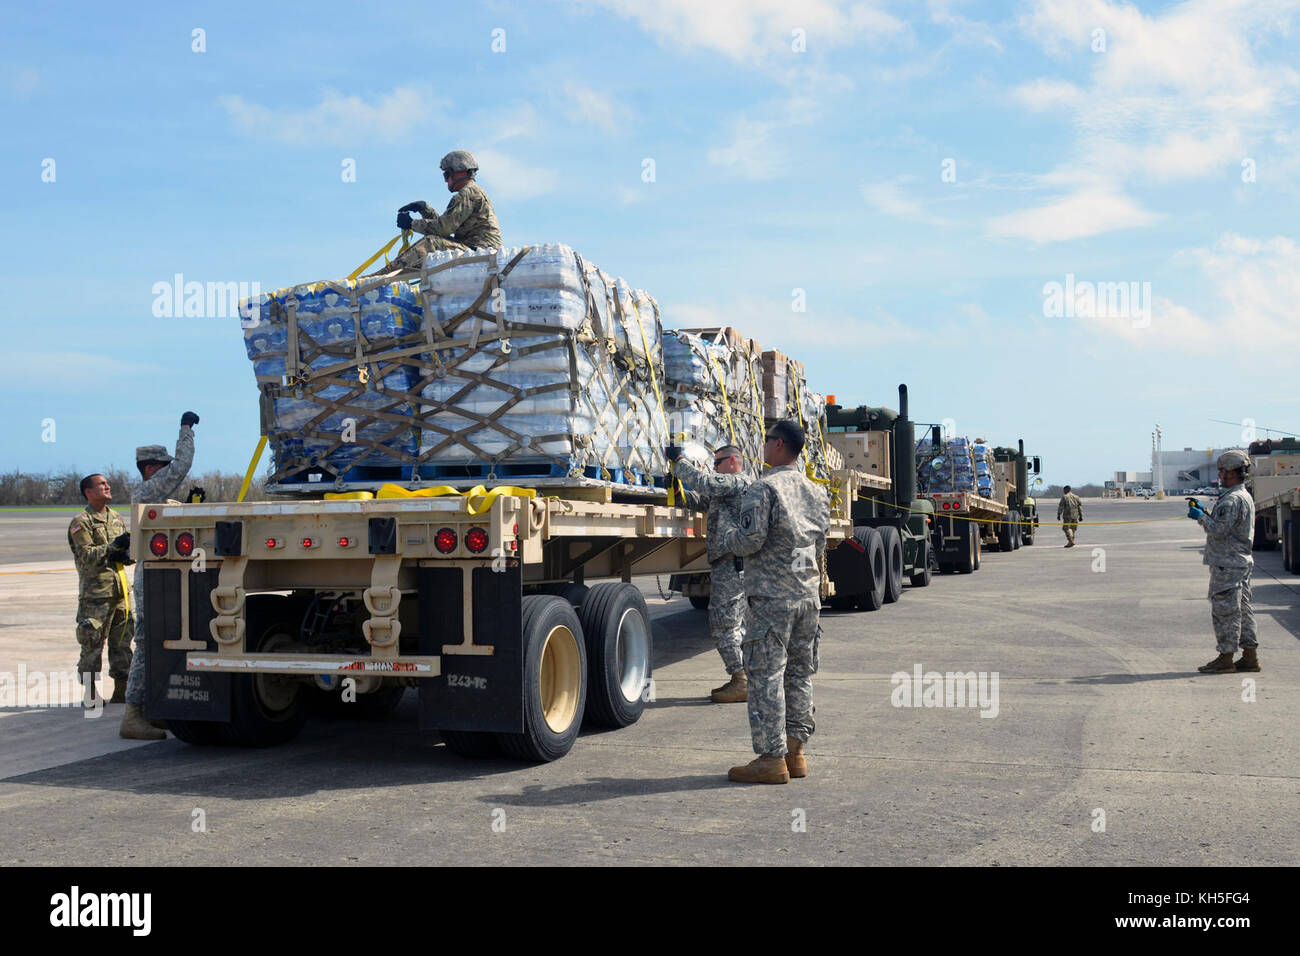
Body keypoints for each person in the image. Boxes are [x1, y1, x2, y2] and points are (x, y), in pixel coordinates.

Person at [709, 420, 830, 784]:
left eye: (766, 440)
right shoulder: (816, 491)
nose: (762, 445)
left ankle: (769, 758)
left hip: (771, 600)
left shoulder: (764, 489)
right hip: (807, 598)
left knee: (765, 678)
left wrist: (725, 536)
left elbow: (750, 541)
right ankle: (795, 751)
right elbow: (819, 545)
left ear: (778, 445)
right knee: (799, 674)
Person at [119, 411, 198, 740]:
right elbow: (183, 466)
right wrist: (186, 430)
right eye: (162, 465)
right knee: (149, 640)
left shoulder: (156, 495)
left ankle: (153, 709)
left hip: (162, 576)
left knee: (164, 638)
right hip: (152, 576)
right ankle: (133, 714)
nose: (169, 470)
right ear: (151, 468)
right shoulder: (148, 490)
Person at [667, 444, 754, 703]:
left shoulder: (740, 483)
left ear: (733, 462)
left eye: (717, 463)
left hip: (732, 563)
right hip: (730, 563)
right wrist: (676, 488)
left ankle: (741, 680)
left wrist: (679, 461)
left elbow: (704, 483)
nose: (713, 468)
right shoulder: (726, 491)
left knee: (723, 624)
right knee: (735, 625)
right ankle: (745, 676)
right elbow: (700, 500)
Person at [375, 150, 502, 274]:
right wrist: (425, 209)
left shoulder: (467, 194)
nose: (446, 180)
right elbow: (445, 227)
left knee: (431, 243)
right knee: (436, 240)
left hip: (478, 251)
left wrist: (411, 224)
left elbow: (443, 229)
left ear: (461, 171)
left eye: (447, 174)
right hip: (476, 248)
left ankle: (381, 278)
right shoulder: (473, 192)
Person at [1189, 449, 1259, 673]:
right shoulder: (1244, 495)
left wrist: (1200, 517)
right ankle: (1249, 656)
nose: (1220, 475)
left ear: (1231, 472)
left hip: (1227, 564)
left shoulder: (1231, 499)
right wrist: (1206, 512)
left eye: (1222, 471)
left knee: (1225, 611)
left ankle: (1226, 658)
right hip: (1240, 562)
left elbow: (1219, 531)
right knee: (1243, 610)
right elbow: (1228, 526)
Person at [67, 474, 134, 705]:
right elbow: (86, 555)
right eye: (101, 484)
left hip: (121, 592)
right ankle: (90, 693)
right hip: (96, 595)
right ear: (88, 492)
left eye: (107, 484)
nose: (107, 486)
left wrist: (126, 555)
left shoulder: (116, 518)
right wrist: (113, 546)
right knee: (92, 645)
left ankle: (122, 691)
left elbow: (123, 554)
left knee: (123, 644)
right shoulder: (81, 522)